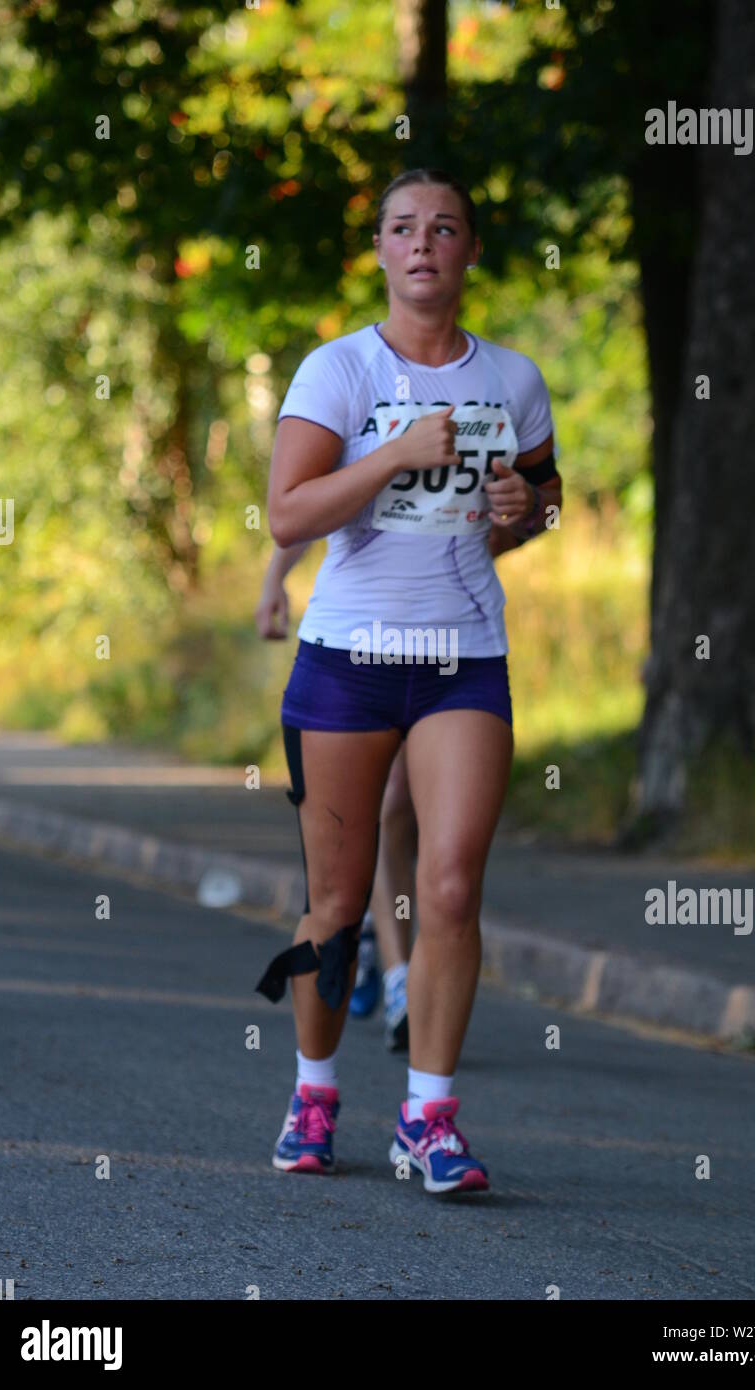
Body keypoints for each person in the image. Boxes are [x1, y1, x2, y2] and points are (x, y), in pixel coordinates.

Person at [255, 168, 562, 1193]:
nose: (422, 242)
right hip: (347, 661)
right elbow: (288, 515)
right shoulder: (337, 372)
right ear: (380, 252)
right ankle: (312, 1090)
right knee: (336, 904)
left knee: (449, 884)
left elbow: (540, 502)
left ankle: (428, 1116)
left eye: (444, 227)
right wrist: (389, 457)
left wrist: (522, 506)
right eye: (402, 227)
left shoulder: (512, 379)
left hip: (460, 664)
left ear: (471, 250)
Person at [256, 517, 521, 1051]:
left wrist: (511, 518)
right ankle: (398, 971)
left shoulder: (503, 429)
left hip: (454, 649)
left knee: (434, 844)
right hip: (359, 652)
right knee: (390, 801)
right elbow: (310, 501)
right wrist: (274, 578)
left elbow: (524, 514)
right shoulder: (359, 430)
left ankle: (387, 939)